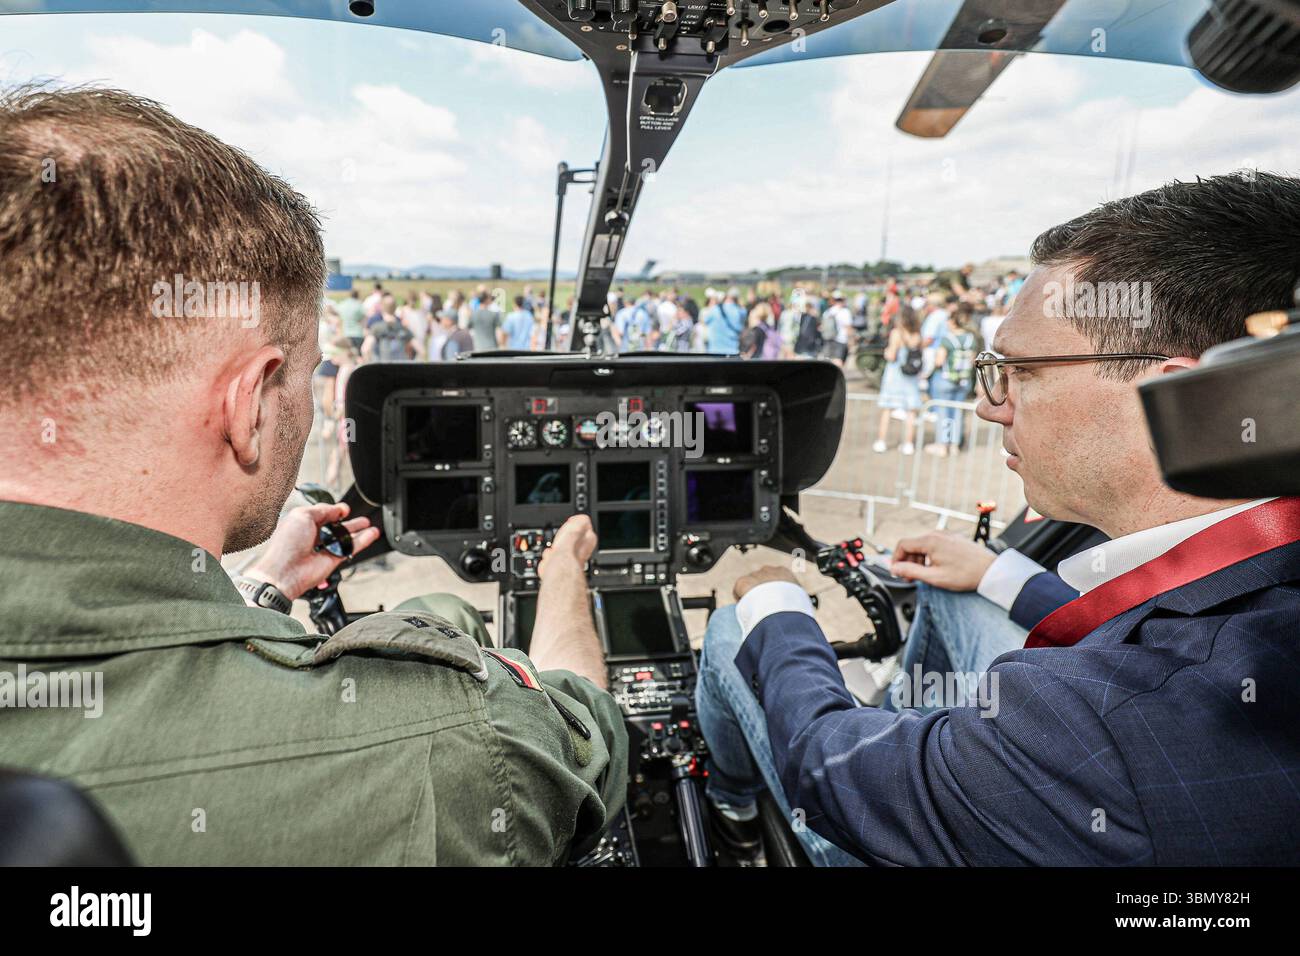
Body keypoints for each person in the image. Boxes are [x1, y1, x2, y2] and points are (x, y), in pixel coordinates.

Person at [0, 85, 626, 865]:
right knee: (443, 618)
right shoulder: (445, 737)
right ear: (249, 403)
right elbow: (586, 733)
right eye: (305, 375)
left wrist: (262, 587)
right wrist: (564, 571)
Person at [694, 172, 1300, 866]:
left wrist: (779, 603)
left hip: (887, 794)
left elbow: (829, 772)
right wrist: (1000, 572)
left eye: (1020, 371)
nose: (989, 405)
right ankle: (922, 733)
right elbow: (1175, 619)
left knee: (732, 628)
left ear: (1169, 398)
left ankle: (732, 814)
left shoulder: (1098, 731)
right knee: (954, 588)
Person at [924, 304, 979, 457]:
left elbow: (939, 361)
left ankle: (942, 445)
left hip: (945, 379)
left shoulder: (947, 339)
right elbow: (972, 360)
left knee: (943, 411)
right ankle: (954, 445)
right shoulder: (971, 339)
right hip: (963, 380)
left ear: (953, 321)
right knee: (957, 412)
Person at [873, 305, 923, 455]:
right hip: (911, 377)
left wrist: (886, 352)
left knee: (887, 409)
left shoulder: (896, 333)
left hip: (895, 375)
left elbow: (892, 355)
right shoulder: (917, 334)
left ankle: (881, 441)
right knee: (911, 411)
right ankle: (908, 444)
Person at [361, 293, 416, 361]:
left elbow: (365, 348)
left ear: (381, 306)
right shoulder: (400, 324)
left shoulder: (374, 321)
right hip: (398, 362)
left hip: (381, 363)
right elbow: (416, 347)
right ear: (395, 307)